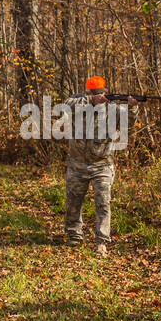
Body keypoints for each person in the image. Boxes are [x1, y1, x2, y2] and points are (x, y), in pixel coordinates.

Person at [62, 77, 138, 256]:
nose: (99, 96)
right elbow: (66, 105)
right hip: (77, 164)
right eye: (95, 94)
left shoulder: (112, 110)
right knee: (73, 201)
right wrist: (90, 100)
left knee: (103, 203)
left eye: (101, 93)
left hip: (102, 165)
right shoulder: (79, 104)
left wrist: (133, 107)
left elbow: (129, 122)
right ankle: (74, 235)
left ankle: (101, 241)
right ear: (87, 93)